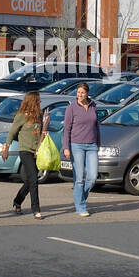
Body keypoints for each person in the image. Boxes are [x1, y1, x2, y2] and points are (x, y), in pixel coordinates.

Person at [1, 90, 44, 219]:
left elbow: (40, 131)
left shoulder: (39, 115)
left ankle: (18, 200)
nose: (40, 102)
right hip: (25, 150)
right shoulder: (21, 116)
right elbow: (12, 133)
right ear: (32, 102)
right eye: (38, 100)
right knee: (34, 180)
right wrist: (6, 148)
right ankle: (36, 209)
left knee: (30, 180)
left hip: (37, 151)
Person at [61, 81, 100, 217]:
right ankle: (81, 207)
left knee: (93, 177)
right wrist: (66, 147)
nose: (80, 95)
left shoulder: (93, 105)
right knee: (79, 178)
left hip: (92, 145)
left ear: (87, 93)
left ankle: (80, 198)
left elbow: (96, 126)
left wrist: (98, 144)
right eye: (78, 93)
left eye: (82, 93)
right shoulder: (71, 107)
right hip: (76, 145)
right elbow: (66, 129)